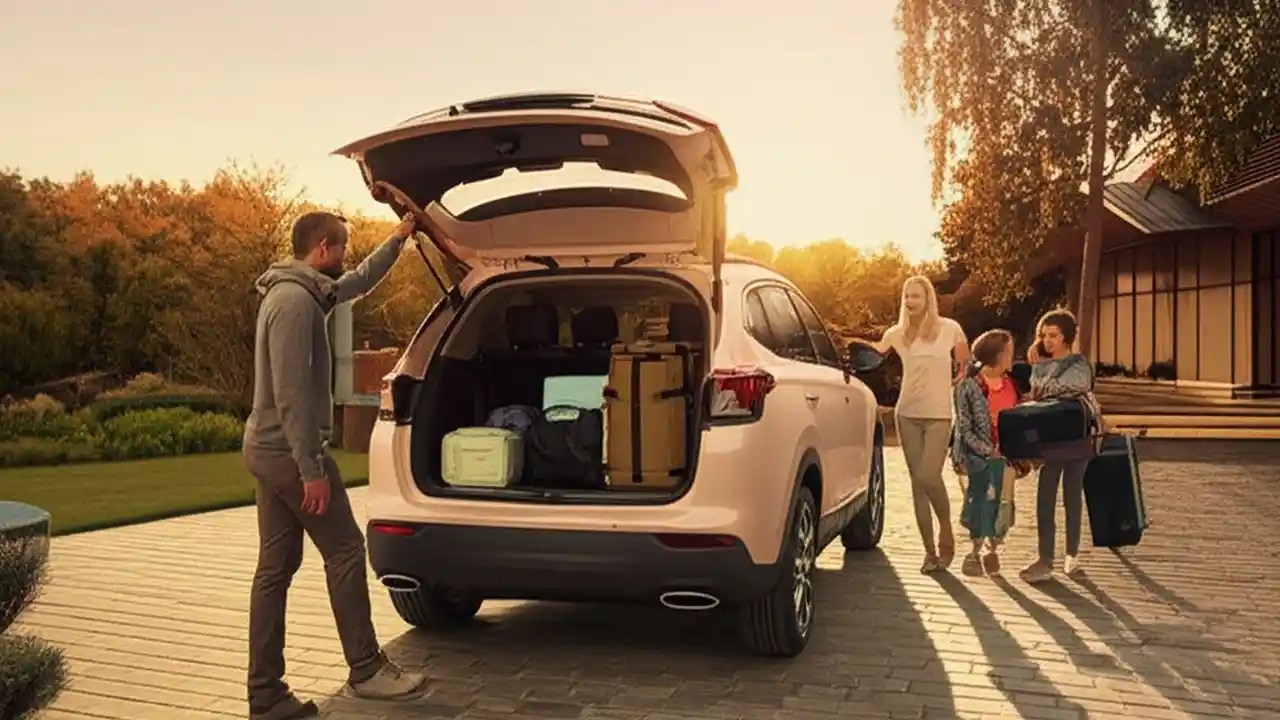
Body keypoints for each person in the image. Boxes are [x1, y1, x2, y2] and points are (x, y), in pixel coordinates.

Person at [242, 210, 426, 719]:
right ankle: (366, 669)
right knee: (345, 548)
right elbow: (293, 395)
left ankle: (266, 696)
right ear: (322, 248)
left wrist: (398, 240)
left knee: (275, 568)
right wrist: (310, 469)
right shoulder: (294, 304)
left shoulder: (303, 292)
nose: (344, 258)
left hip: (270, 449)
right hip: (287, 452)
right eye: (341, 248)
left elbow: (356, 283)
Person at [868, 275, 971, 573]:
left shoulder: (950, 329)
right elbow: (871, 355)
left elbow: (966, 364)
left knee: (928, 476)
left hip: (939, 414)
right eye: (907, 296)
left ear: (928, 299)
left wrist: (958, 380)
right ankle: (929, 552)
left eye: (916, 296)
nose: (911, 301)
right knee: (917, 484)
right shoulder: (897, 334)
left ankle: (947, 532)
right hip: (907, 414)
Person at [1017, 308, 1103, 585]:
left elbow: (1073, 387)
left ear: (1067, 336)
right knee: (1045, 498)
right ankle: (1045, 559)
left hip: (1076, 435)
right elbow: (1037, 392)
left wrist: (1044, 384)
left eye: (1053, 335)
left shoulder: (1079, 364)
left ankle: (1072, 555)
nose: (1048, 341)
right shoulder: (1040, 366)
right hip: (1051, 436)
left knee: (1072, 496)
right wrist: (1039, 374)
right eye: (1044, 336)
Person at [951, 329, 1026, 577]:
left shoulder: (1012, 386)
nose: (1012, 357)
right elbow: (964, 427)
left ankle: (992, 548)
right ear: (998, 355)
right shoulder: (968, 386)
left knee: (1003, 504)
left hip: (1006, 456)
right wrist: (986, 451)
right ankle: (974, 551)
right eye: (1009, 352)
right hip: (977, 456)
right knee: (980, 502)